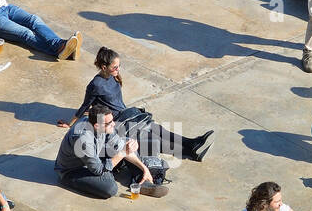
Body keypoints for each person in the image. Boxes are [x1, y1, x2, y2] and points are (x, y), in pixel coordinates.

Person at [58, 46, 214, 162]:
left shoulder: (113, 76)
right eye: (115, 67)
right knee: (151, 139)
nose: (118, 69)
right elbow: (85, 105)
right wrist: (70, 123)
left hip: (128, 115)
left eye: (119, 66)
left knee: (157, 129)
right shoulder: (95, 85)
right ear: (104, 67)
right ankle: (190, 150)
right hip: (118, 123)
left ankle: (191, 144)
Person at [54, 102, 169, 199]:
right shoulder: (83, 139)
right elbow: (98, 170)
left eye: (112, 120)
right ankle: (104, 173)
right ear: (96, 126)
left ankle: (142, 181)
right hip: (73, 171)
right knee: (110, 188)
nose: (113, 124)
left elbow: (120, 145)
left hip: (94, 157)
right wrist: (121, 154)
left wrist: (144, 168)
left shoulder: (104, 126)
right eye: (109, 123)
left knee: (126, 144)